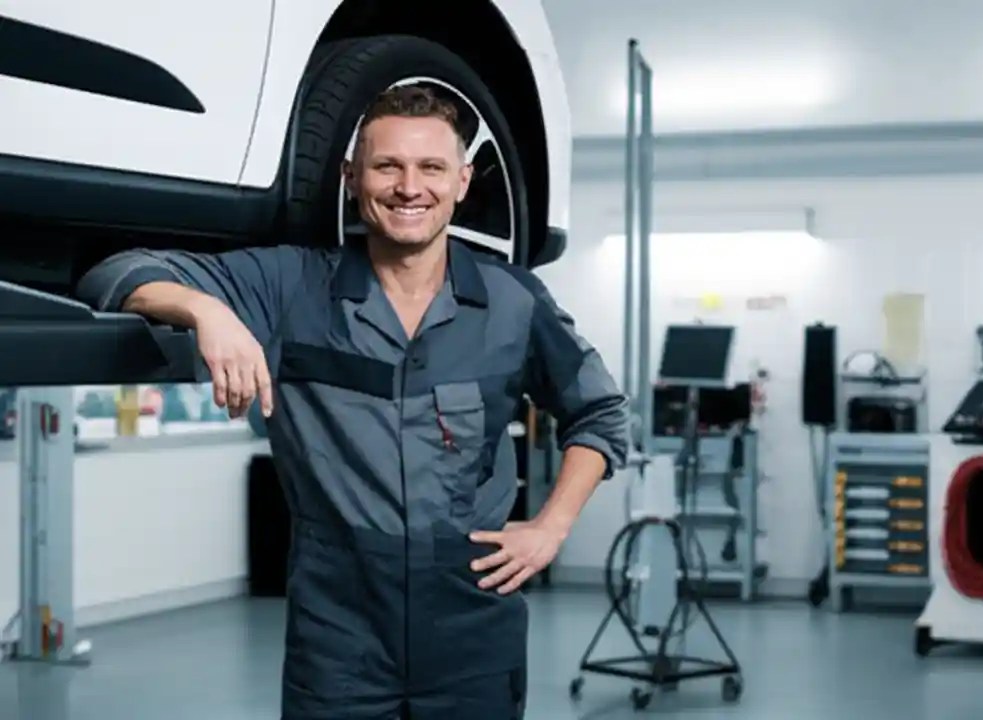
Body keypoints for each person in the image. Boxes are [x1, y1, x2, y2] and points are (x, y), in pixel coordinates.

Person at [75, 86, 630, 719]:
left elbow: (601, 413)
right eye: (387, 166)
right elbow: (113, 274)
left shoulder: (513, 302)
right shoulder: (288, 286)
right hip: (338, 636)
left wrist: (551, 527)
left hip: (472, 629)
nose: (408, 187)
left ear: (462, 181)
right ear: (350, 176)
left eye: (431, 168)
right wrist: (207, 310)